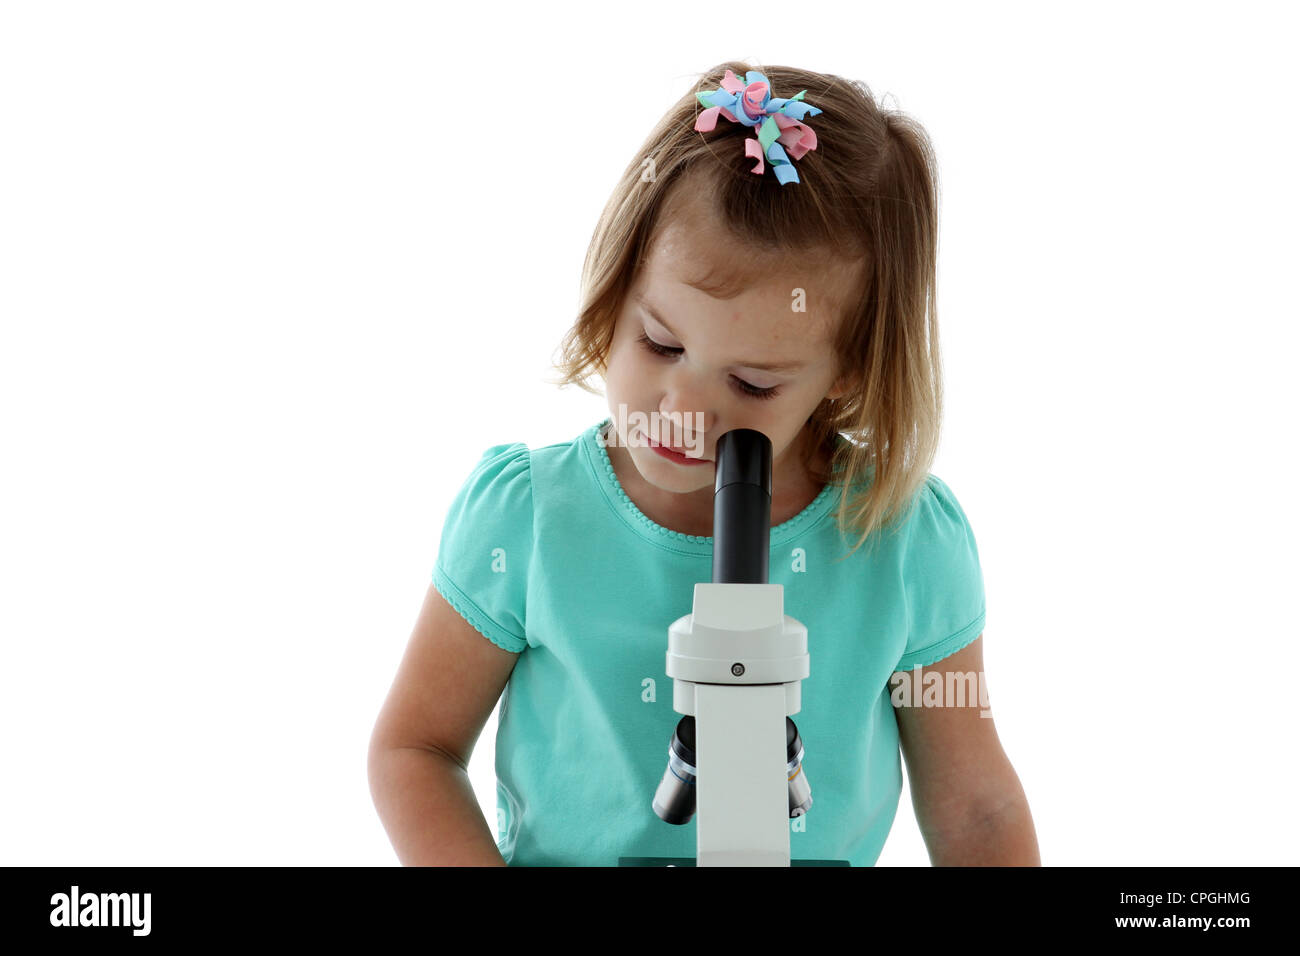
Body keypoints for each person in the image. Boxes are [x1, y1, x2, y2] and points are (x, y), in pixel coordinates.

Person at [368, 61, 1039, 867]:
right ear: (617, 291)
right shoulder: (527, 520)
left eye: (753, 383)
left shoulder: (901, 542)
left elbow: (977, 809)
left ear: (849, 372)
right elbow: (416, 750)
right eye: (661, 343)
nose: (681, 409)